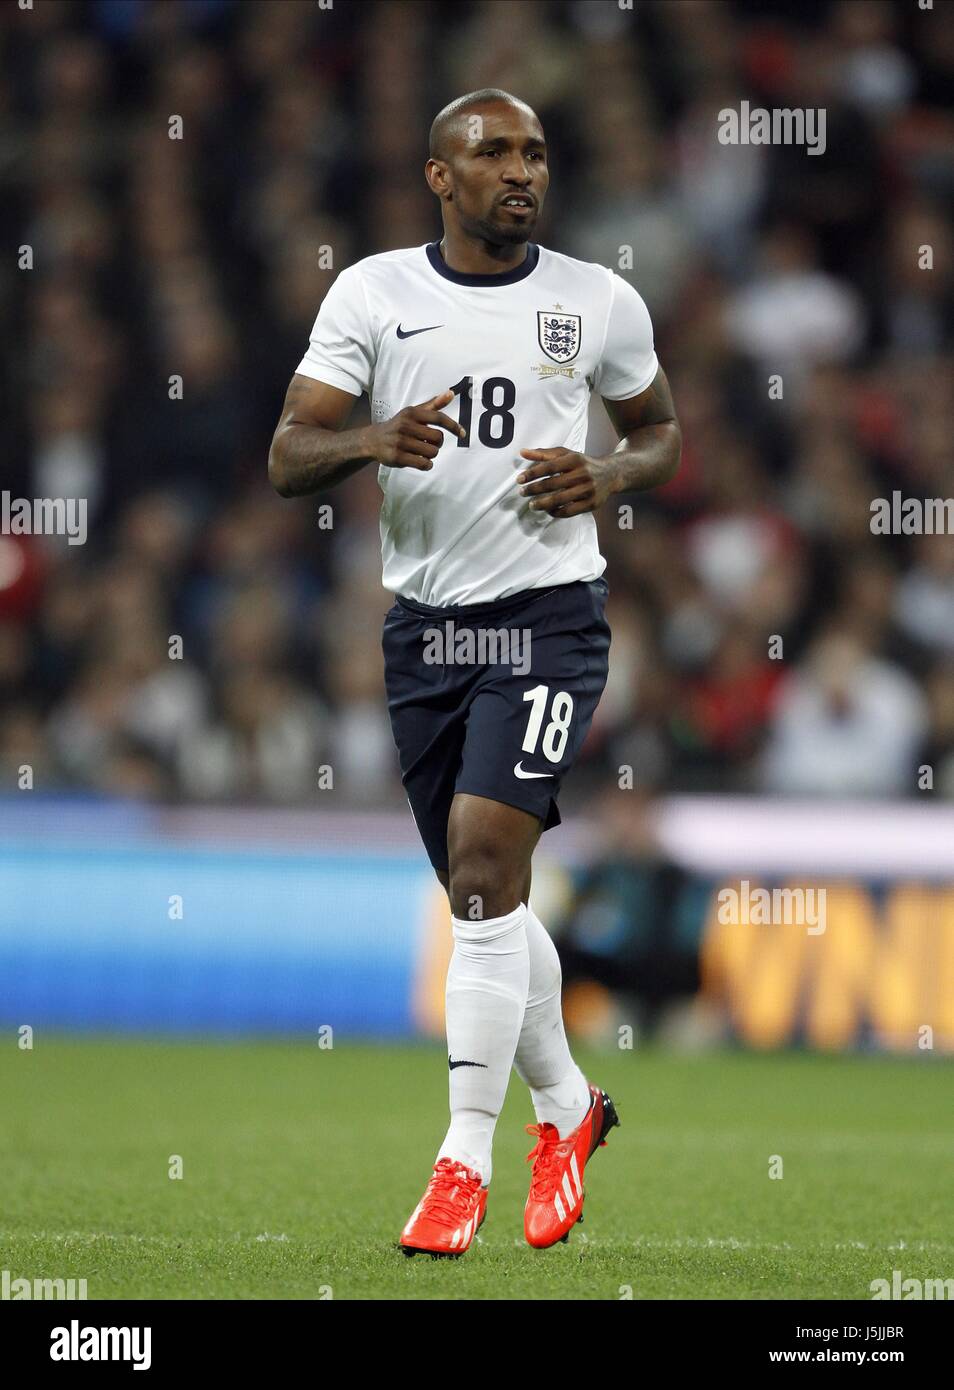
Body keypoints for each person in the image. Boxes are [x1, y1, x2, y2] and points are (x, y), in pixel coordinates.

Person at [268, 89, 681, 1257]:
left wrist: (608, 478)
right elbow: (288, 453)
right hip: (426, 634)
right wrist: (368, 439)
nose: (521, 171)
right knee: (481, 898)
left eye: (536, 152)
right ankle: (570, 1108)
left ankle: (461, 1162)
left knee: (492, 866)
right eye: (492, 152)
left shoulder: (598, 301)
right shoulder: (373, 294)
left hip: (548, 620)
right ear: (438, 177)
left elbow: (661, 432)